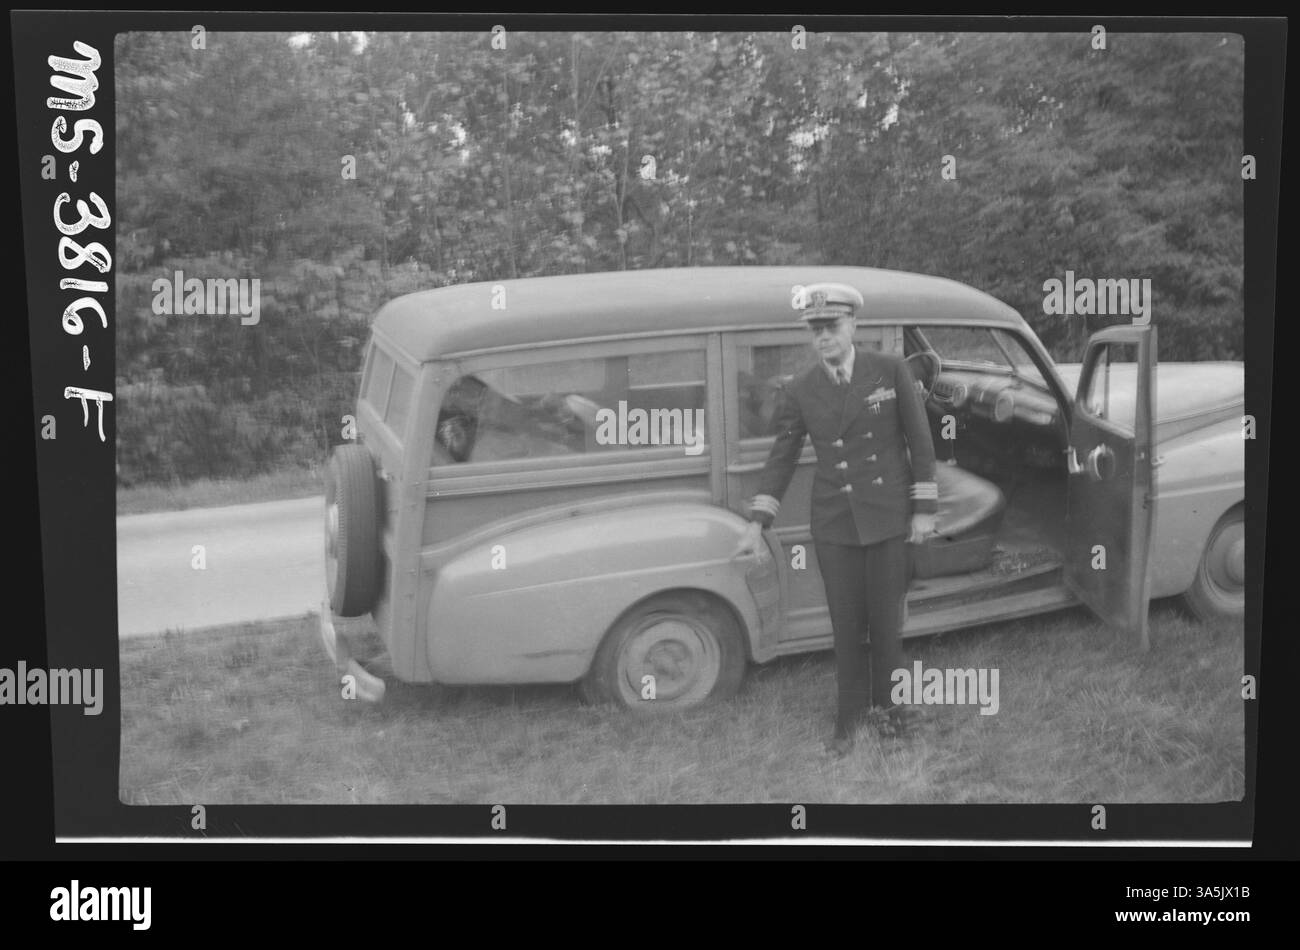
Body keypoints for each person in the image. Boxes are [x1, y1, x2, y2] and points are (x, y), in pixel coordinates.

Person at [735, 283, 939, 757]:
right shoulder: (802, 387)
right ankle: (849, 722)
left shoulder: (889, 371)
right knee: (847, 627)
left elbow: (919, 440)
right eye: (816, 329)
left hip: (888, 518)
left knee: (886, 624)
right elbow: (783, 454)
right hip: (835, 525)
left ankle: (892, 715)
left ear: (853, 326)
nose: (824, 336)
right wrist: (757, 522)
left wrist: (924, 510)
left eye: (832, 326)